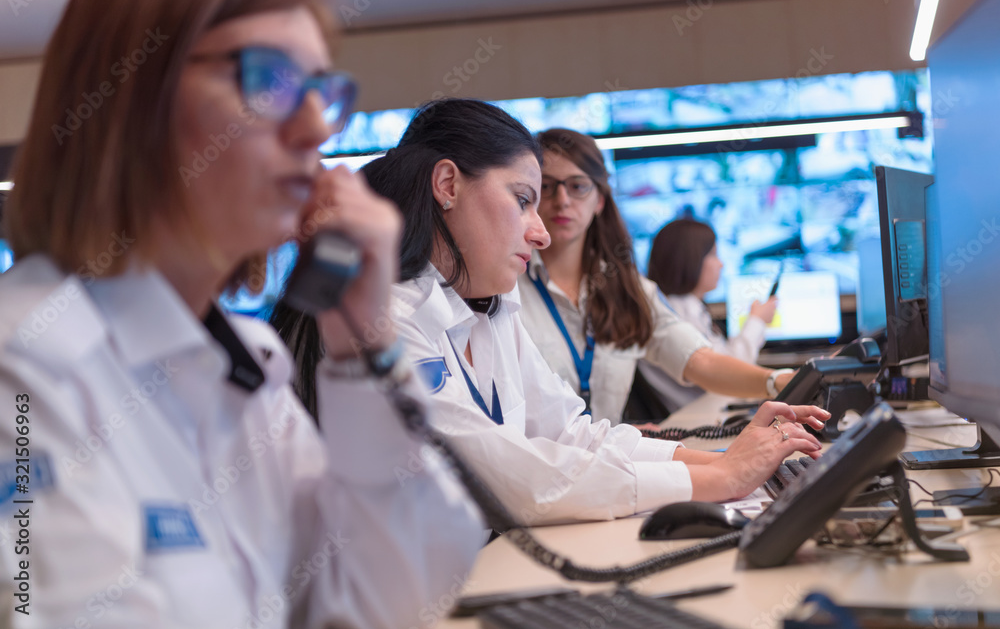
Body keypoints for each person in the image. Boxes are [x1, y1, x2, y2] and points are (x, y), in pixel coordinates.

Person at [0, 0, 482, 628]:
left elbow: (398, 594)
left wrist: (364, 350)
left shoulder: (247, 365)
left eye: (319, 92)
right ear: (130, 99)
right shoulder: (25, 367)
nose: (316, 129)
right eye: (269, 81)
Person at [274, 99, 828, 528]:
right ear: (447, 186)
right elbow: (513, 481)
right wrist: (721, 477)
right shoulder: (385, 321)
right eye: (523, 200)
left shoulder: (491, 310)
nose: (540, 232)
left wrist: (725, 460)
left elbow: (572, 434)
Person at [519, 128, 791, 425]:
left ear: (599, 201)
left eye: (578, 186)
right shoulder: (505, 286)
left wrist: (778, 381)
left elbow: (702, 362)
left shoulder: (628, 290)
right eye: (547, 186)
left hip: (606, 451)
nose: (562, 200)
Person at [648, 219, 777, 363]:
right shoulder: (681, 313)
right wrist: (757, 320)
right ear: (689, 259)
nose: (721, 264)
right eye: (713, 254)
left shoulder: (685, 307)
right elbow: (730, 368)